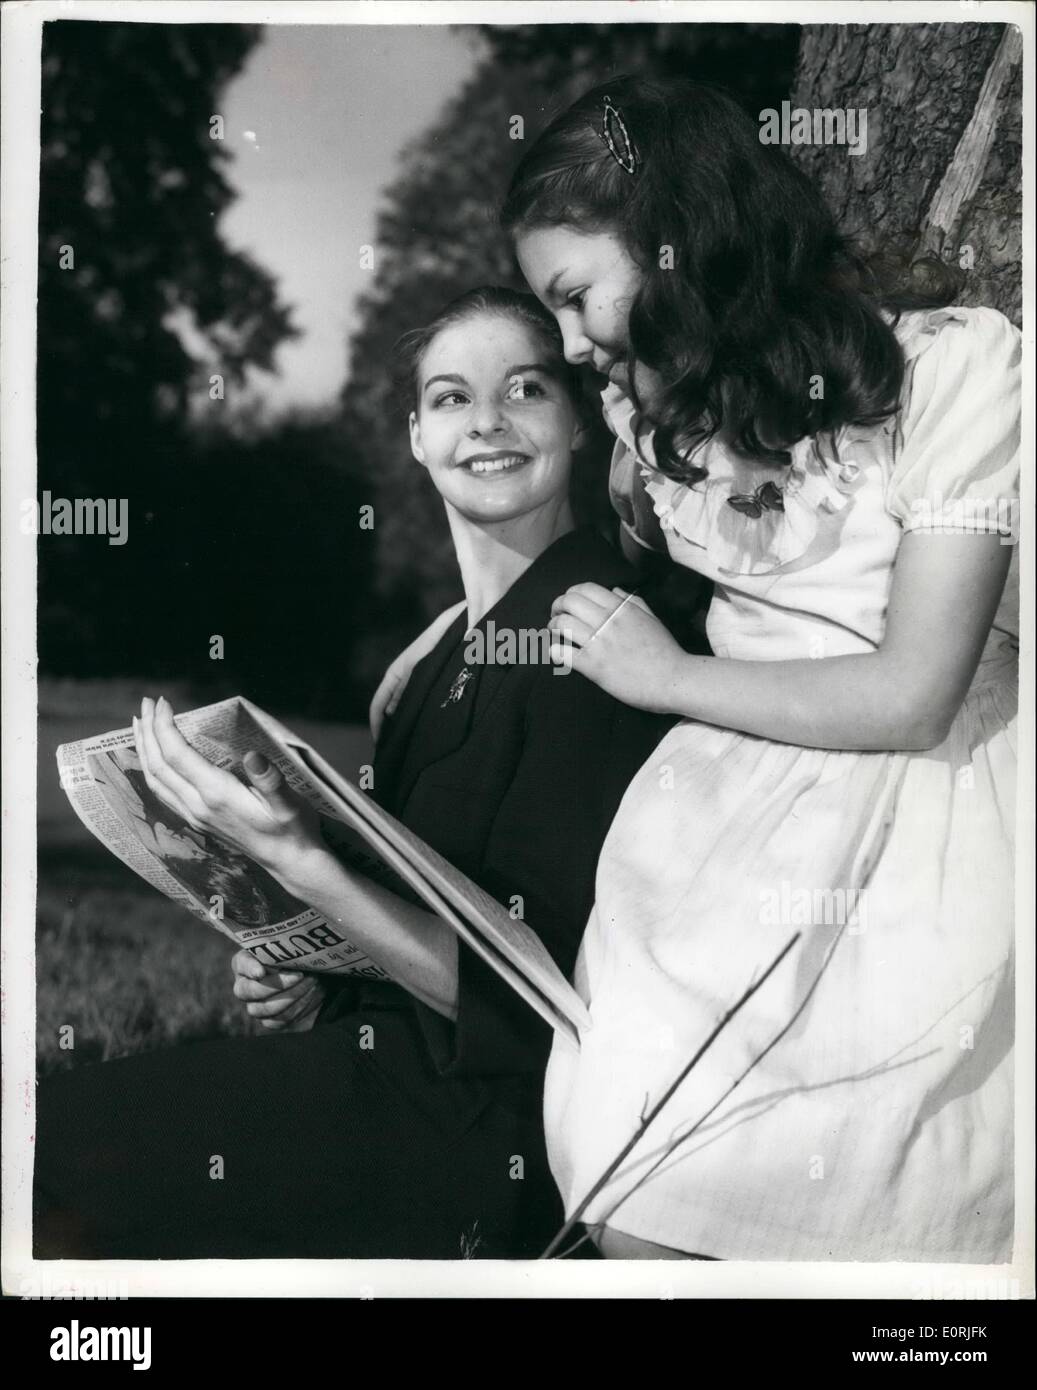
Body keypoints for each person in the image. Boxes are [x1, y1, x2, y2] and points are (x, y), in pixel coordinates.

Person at [33, 287, 676, 1260]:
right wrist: (313, 981)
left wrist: (302, 865)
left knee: (59, 1150)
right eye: (453, 399)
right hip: (378, 1071)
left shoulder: (600, 637)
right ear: (416, 436)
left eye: (526, 389)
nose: (488, 422)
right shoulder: (434, 661)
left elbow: (536, 1010)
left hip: (484, 1140)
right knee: (53, 1143)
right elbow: (412, 928)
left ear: (578, 420)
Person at [495, 76, 1019, 1261]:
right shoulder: (652, 412)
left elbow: (910, 693)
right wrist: (635, 485)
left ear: (674, 234)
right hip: (721, 826)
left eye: (576, 298)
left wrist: (664, 673)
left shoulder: (949, 369)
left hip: (918, 804)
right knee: (628, 1158)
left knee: (827, 1179)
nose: (574, 345)